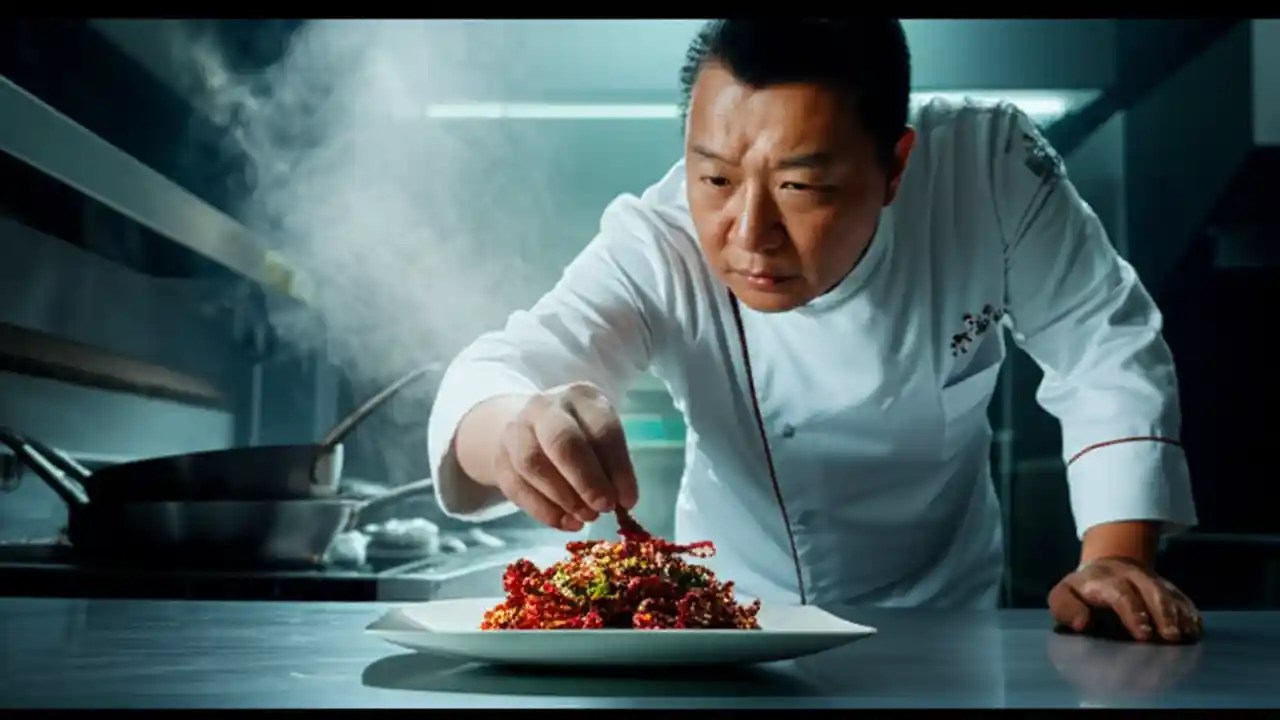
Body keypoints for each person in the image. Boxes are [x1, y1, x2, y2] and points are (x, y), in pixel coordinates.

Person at [426, 19, 1203, 643]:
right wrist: (518, 431)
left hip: (951, 634)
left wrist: (1116, 560)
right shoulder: (655, 242)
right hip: (731, 635)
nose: (750, 233)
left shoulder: (987, 168)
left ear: (895, 167)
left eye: (801, 186)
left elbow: (1104, 345)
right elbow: (495, 373)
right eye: (716, 178)